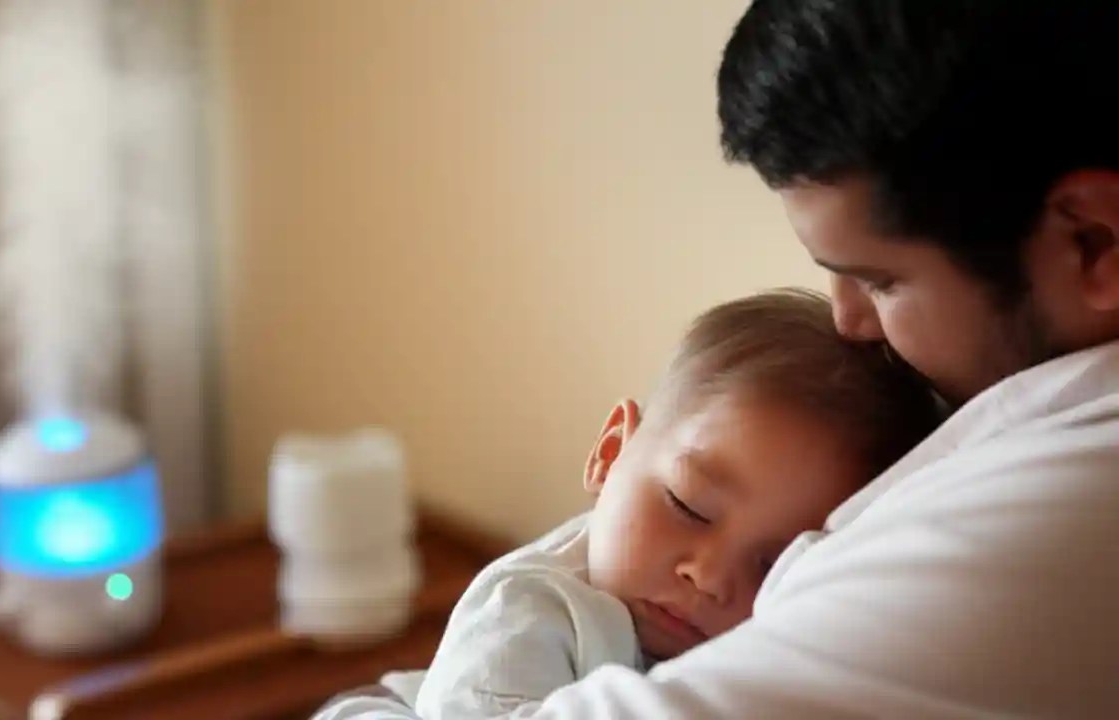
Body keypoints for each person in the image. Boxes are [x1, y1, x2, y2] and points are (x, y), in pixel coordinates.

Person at [320, 1, 1119, 716]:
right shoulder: (546, 605)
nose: (851, 322)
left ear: (1093, 242)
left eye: (881, 281)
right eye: (692, 507)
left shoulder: (1071, 509)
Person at [323, 291, 937, 720]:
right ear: (611, 451)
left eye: (772, 564)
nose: (708, 575)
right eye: (689, 506)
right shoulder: (534, 612)